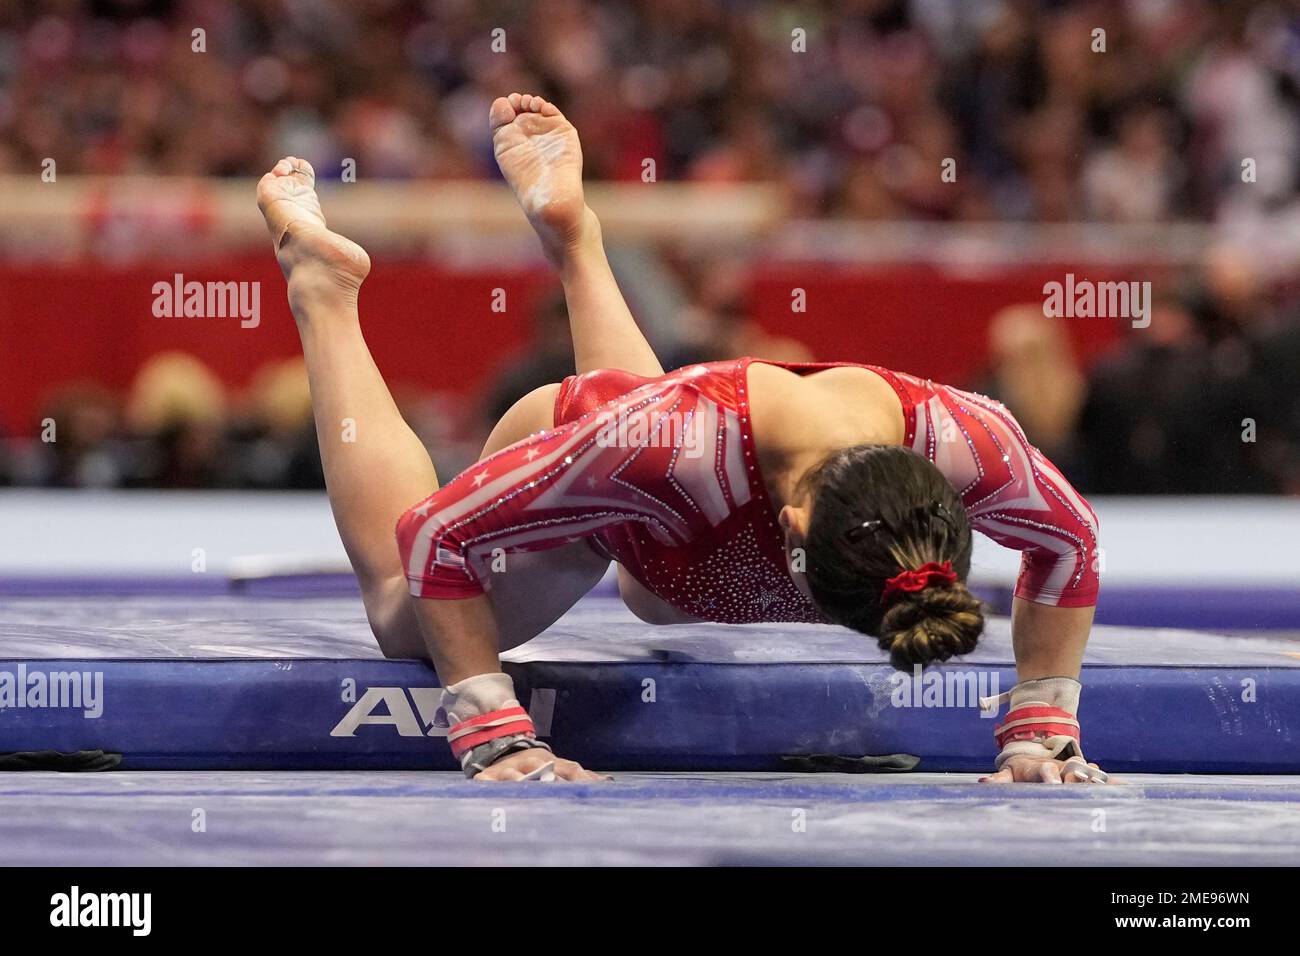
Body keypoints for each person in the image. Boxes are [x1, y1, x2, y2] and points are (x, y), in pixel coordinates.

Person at [257, 93, 1105, 785]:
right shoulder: (657, 447)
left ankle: (575, 234)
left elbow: (1072, 542)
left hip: (677, 506)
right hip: (612, 466)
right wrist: (497, 733)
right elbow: (435, 537)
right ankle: (324, 292)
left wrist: (1043, 728)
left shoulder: (971, 445)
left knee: (656, 574)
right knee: (402, 618)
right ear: (794, 535)